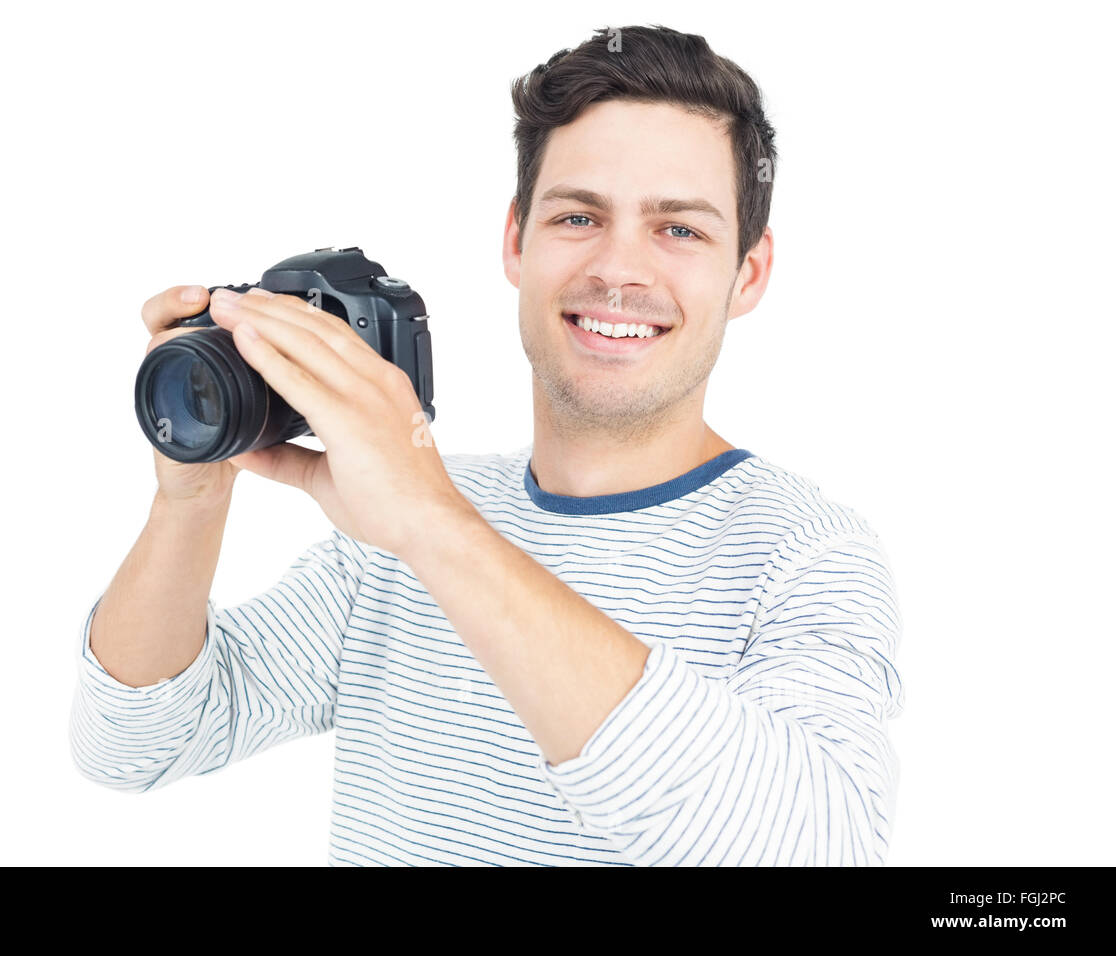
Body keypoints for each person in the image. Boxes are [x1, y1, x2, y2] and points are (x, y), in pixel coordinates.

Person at [70, 24, 905, 866]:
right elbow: (135, 744)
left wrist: (434, 526)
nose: (619, 268)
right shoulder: (394, 527)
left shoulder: (807, 553)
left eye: (679, 230)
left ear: (749, 273)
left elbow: (814, 843)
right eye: (579, 215)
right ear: (517, 240)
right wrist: (192, 497)